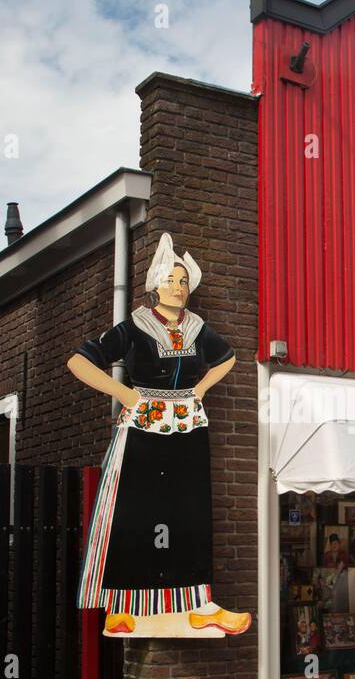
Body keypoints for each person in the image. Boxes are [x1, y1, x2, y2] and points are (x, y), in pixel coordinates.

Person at [68, 231, 251, 638]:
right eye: (170, 279)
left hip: (187, 421)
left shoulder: (198, 328)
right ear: (155, 284)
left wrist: (200, 389)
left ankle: (198, 604)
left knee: (190, 510)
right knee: (137, 510)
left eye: (184, 281)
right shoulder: (133, 327)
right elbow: (80, 361)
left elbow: (229, 358)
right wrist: (124, 394)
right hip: (144, 423)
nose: (178, 287)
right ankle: (122, 606)